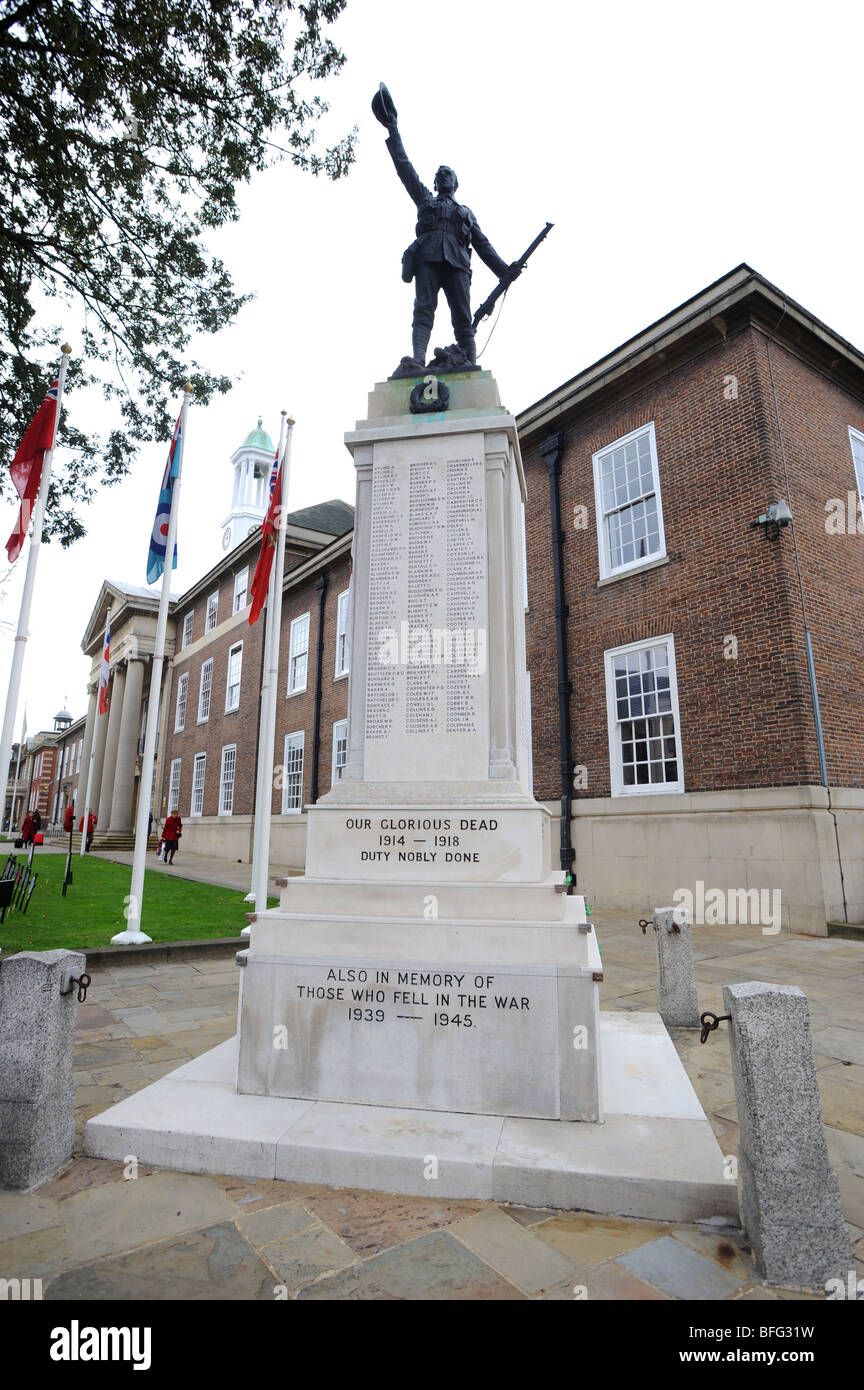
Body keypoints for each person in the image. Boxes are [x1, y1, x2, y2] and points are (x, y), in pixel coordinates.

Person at [378, 100, 521, 375]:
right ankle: (418, 360)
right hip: (428, 258)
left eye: (449, 174)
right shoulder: (425, 200)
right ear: (434, 183)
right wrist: (393, 129)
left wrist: (505, 269)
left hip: (457, 263)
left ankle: (469, 364)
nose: (443, 176)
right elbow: (404, 168)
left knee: (463, 318)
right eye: (439, 174)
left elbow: (483, 245)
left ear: (455, 183)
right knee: (423, 310)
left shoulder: (466, 213)